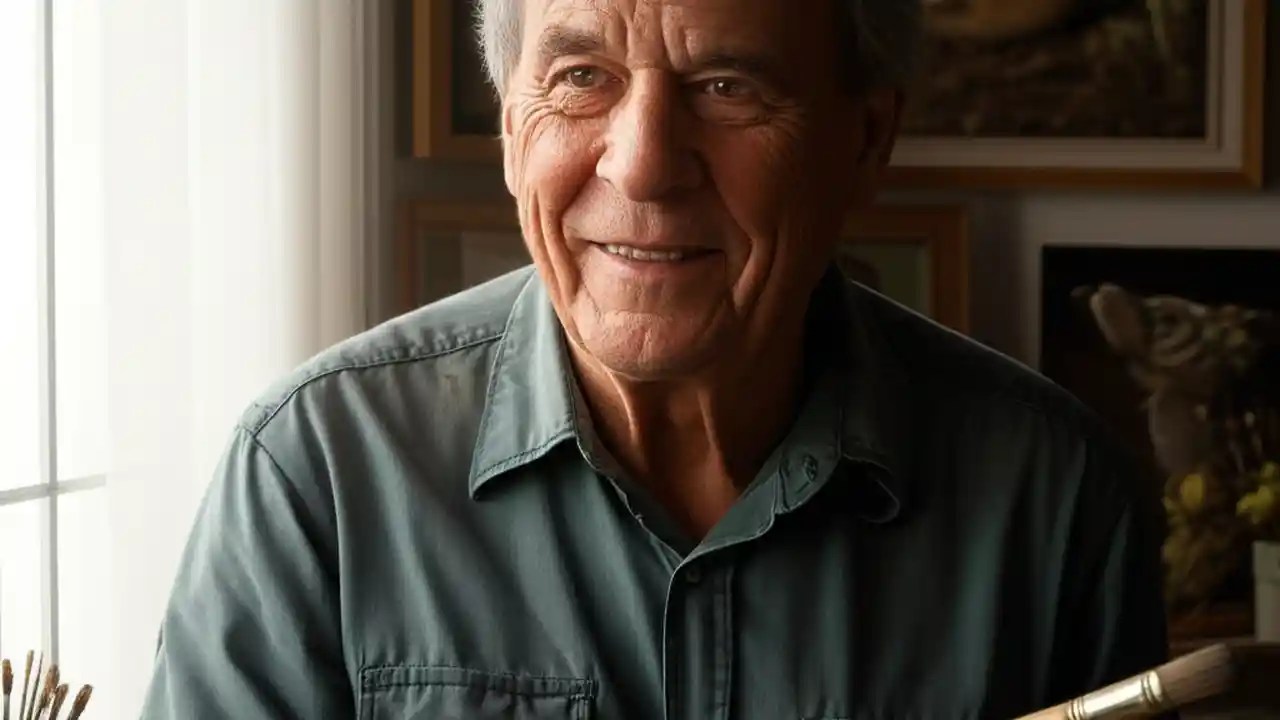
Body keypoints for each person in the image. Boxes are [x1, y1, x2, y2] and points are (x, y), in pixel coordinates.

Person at [140, 0, 1168, 717]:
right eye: (580, 78)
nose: (639, 162)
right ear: (510, 129)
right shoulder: (314, 474)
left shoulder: (1053, 496)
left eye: (724, 86)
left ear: (864, 140)